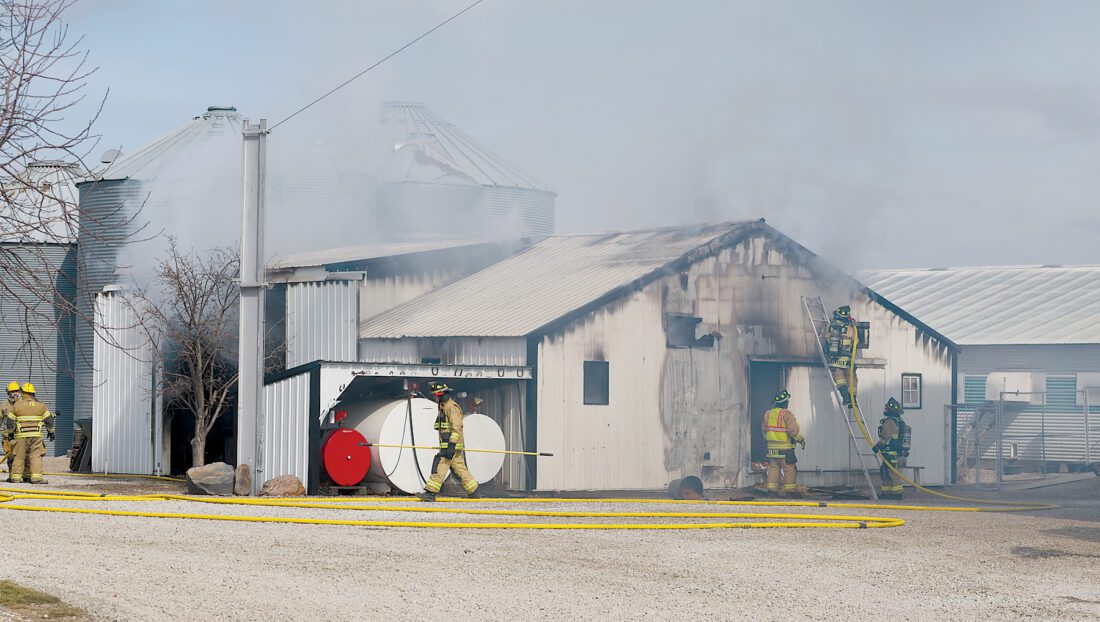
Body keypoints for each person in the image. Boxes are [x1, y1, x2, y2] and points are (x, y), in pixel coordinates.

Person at [419, 382, 479, 501]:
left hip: (452, 445)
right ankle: (474, 491)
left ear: (440, 394)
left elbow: (457, 427)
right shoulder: (443, 406)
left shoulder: (451, 407)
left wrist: (451, 445)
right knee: (459, 467)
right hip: (449, 444)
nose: (434, 398)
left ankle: (431, 492)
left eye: (435, 395)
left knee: (440, 464)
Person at [5, 383, 54, 485]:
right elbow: (49, 419)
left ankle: (16, 478)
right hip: (36, 436)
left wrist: (10, 434)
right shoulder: (41, 405)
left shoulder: (16, 405)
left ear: (23, 393)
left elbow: (10, 421)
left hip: (21, 437)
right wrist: (51, 431)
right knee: (35, 456)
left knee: (19, 457)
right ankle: (36, 478)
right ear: (33, 393)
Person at [761, 389, 805, 497]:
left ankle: (771, 491)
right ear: (785, 402)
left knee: (773, 468)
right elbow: (793, 431)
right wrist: (801, 440)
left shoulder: (767, 414)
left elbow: (764, 430)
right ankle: (790, 492)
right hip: (785, 448)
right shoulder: (787, 414)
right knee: (789, 469)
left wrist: (769, 441)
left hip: (771, 448)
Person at [874, 397, 911, 500]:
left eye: (886, 408)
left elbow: (885, 435)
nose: (884, 410)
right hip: (892, 451)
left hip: (890, 451)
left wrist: (877, 446)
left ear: (891, 410)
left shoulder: (889, 421)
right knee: (885, 472)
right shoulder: (898, 421)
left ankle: (897, 493)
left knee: (891, 472)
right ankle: (886, 493)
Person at [825, 305, 858, 406]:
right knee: (851, 378)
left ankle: (845, 397)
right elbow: (856, 342)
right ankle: (853, 399)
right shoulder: (852, 328)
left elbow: (827, 339)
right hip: (848, 360)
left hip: (835, 360)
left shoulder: (831, 326)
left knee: (839, 378)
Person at [1, 382, 21, 477]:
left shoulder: (23, 404)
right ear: (8, 393)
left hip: (21, 436)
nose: (14, 393)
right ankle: (12, 476)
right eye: (12, 391)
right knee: (11, 457)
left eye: (16, 391)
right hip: (7, 436)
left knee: (23, 457)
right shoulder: (4, 405)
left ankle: (24, 475)